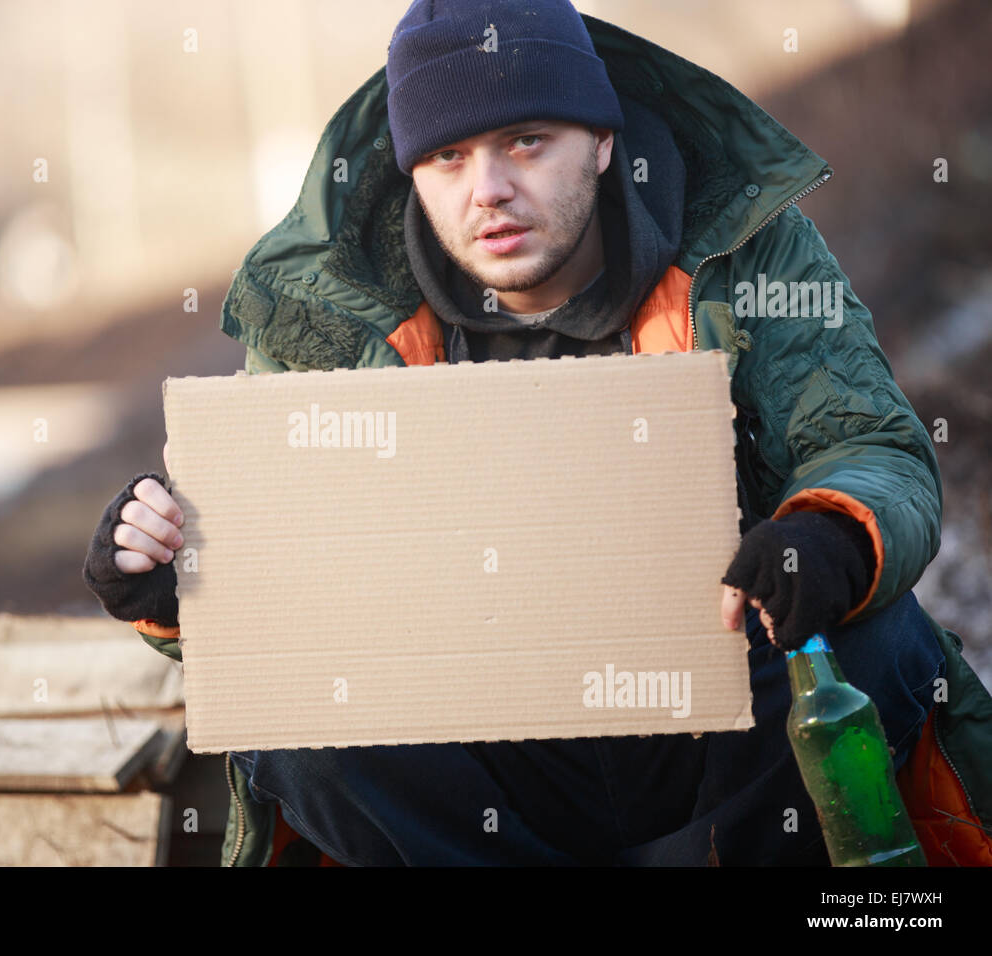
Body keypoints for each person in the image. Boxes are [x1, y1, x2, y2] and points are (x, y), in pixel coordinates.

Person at [84, 0, 992, 866]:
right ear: (412, 172)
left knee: (877, 644)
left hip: (715, 707)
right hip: (477, 742)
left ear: (602, 141)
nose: (490, 190)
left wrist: (823, 532)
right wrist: (176, 583)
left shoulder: (741, 251)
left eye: (525, 141)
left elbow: (865, 440)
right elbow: (285, 590)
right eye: (446, 157)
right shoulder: (331, 319)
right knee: (302, 734)